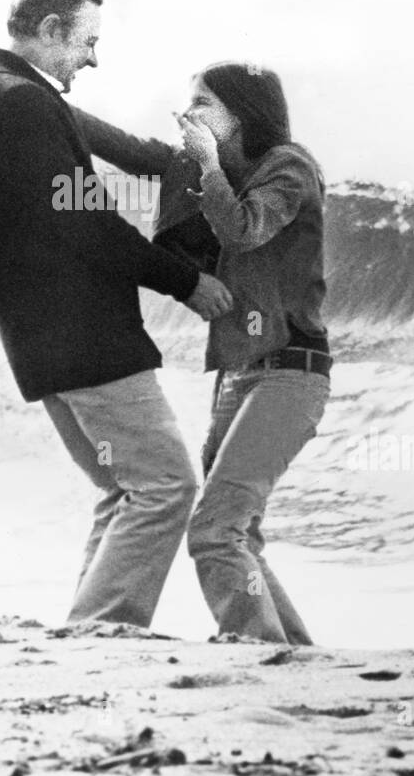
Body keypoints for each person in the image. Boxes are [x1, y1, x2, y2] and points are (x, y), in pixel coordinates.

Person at [0, 0, 233, 629]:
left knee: (124, 490)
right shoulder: (21, 106)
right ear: (49, 32)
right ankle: (102, 633)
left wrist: (186, 163)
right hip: (88, 342)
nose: (94, 58)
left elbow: (123, 150)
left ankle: (88, 635)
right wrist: (188, 282)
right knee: (165, 488)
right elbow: (91, 226)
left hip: (43, 346)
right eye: (87, 42)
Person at [70, 62, 331, 643]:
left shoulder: (289, 168)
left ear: (240, 115)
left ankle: (256, 654)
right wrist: (39, 102)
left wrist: (209, 163)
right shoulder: (201, 171)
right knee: (237, 534)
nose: (189, 114)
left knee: (215, 533)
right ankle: (294, 656)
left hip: (292, 372)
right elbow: (125, 147)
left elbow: (245, 229)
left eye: (203, 103)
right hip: (238, 374)